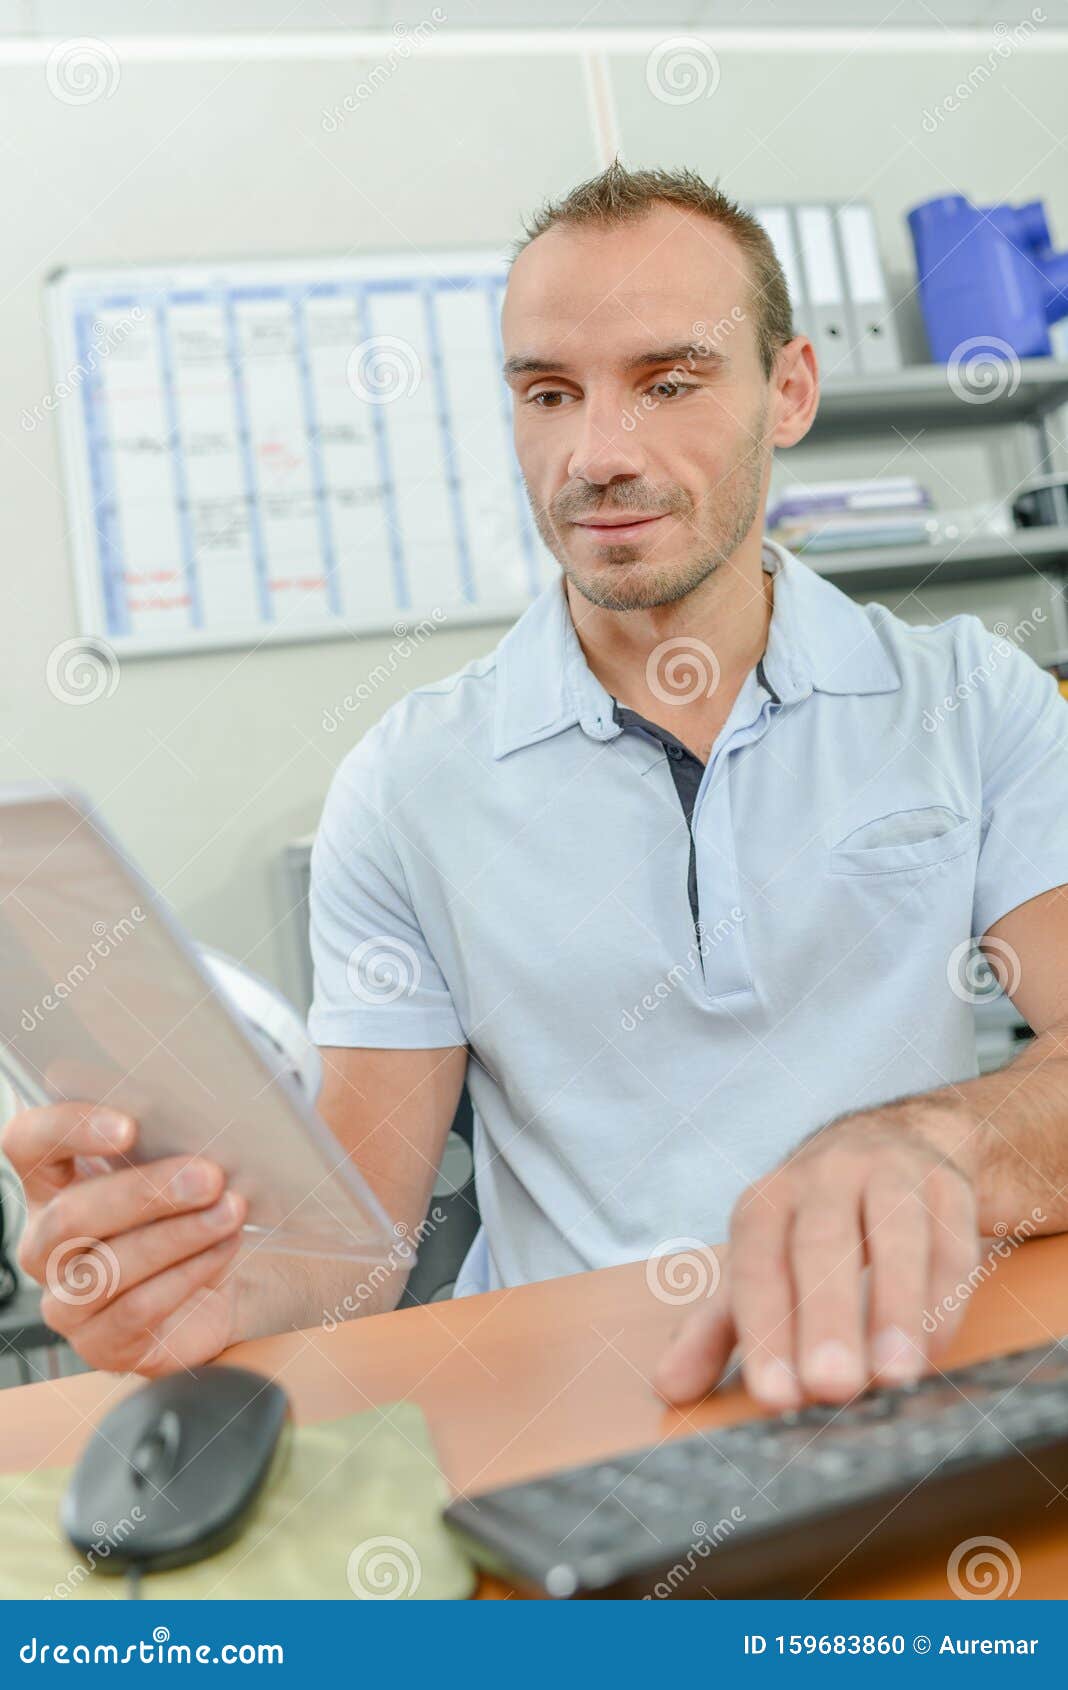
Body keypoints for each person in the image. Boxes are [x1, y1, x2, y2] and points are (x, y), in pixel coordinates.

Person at [8, 162, 1068, 1413]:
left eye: (669, 383)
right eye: (549, 394)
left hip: (899, 1371)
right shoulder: (409, 783)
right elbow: (351, 1242)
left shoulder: (973, 700)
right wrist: (204, 1283)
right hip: (583, 1412)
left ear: (789, 391)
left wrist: (937, 1141)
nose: (598, 454)